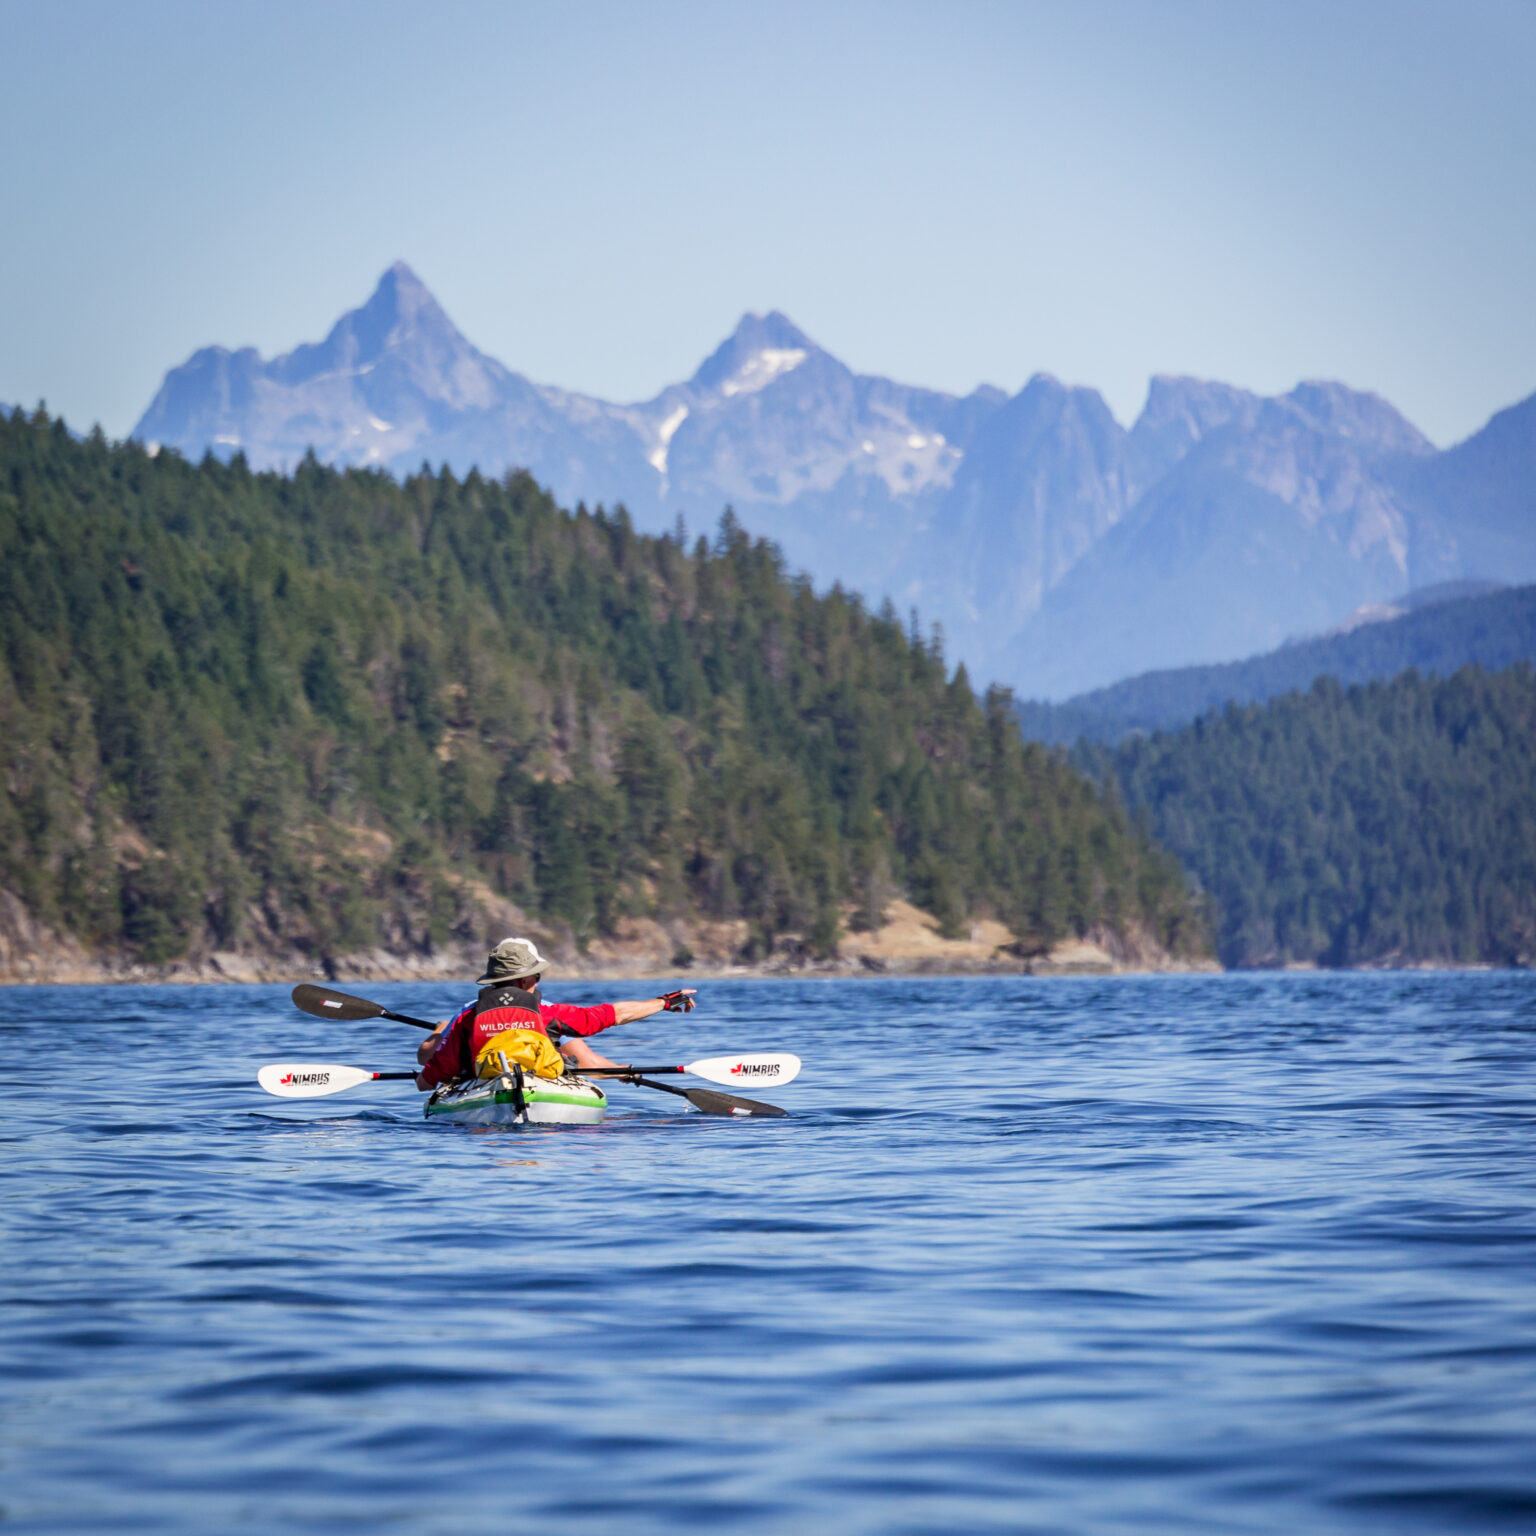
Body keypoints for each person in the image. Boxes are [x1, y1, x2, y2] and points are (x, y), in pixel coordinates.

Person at [416, 935, 696, 1090]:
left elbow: (427, 1073)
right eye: (536, 976)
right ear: (526, 981)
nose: (538, 981)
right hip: (543, 1091)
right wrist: (664, 1002)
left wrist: (439, 1032)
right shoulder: (547, 1013)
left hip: (483, 1094)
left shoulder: (467, 1015)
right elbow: (612, 1015)